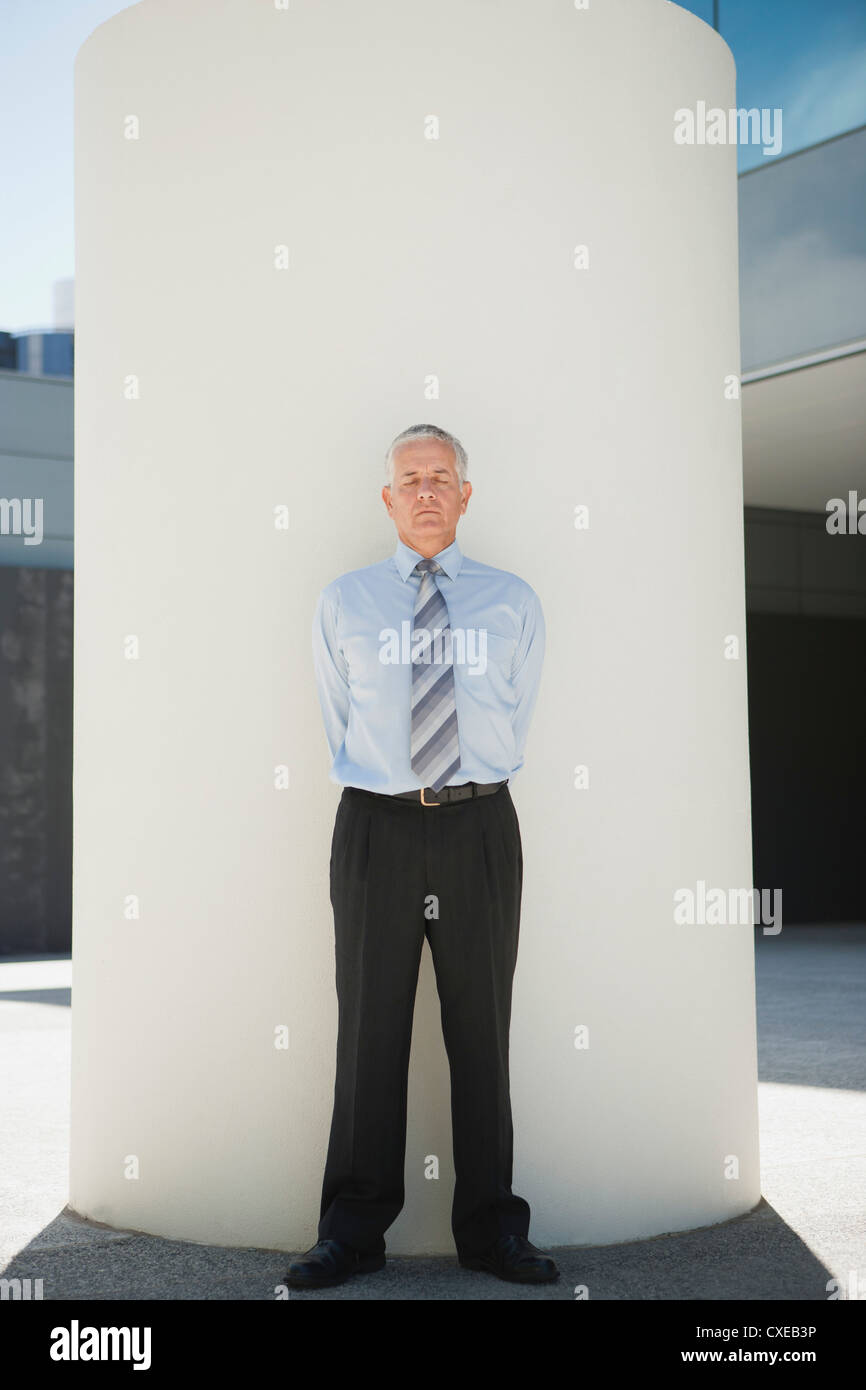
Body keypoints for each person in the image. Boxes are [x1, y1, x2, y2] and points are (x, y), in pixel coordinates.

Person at [285, 423, 556, 1289]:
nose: (427, 490)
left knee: (483, 1033)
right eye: (411, 478)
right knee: (370, 1033)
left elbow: (516, 718)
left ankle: (492, 1231)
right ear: (389, 498)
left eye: (442, 476)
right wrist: (395, 789)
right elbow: (340, 723)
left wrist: (460, 791)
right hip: (377, 827)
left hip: (480, 828)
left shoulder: (512, 601)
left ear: (466, 494)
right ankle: (353, 1231)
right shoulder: (344, 602)